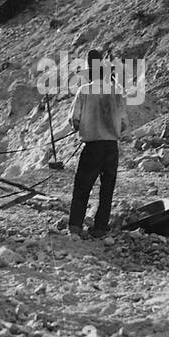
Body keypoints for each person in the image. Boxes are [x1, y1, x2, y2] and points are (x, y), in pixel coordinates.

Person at [64, 49, 129, 238]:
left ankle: (75, 227)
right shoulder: (116, 91)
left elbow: (74, 119)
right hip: (111, 147)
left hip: (91, 147)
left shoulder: (84, 91)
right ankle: (100, 228)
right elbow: (124, 123)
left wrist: (84, 127)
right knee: (107, 188)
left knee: (82, 187)